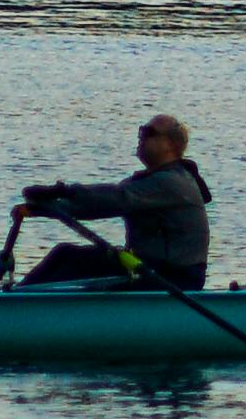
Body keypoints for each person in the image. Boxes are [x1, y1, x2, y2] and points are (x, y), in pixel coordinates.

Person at [12, 115, 213, 292]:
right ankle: (20, 300)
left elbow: (116, 197)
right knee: (64, 254)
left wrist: (64, 191)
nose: (141, 136)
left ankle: (17, 308)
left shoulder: (172, 182)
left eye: (148, 132)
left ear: (170, 144)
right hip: (154, 268)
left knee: (67, 258)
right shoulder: (148, 182)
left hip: (176, 277)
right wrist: (44, 208)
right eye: (141, 131)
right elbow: (100, 206)